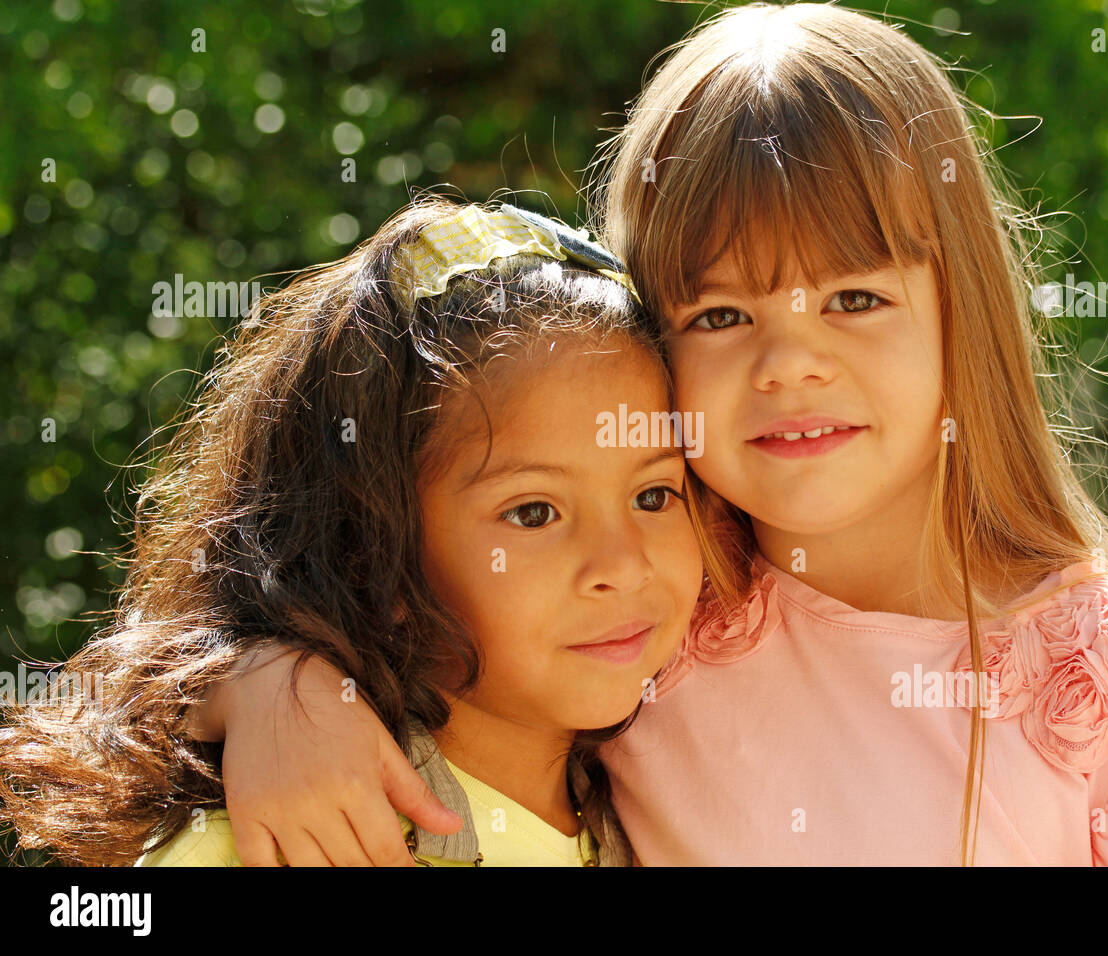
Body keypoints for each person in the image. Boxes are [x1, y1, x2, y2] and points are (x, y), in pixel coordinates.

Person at [176, 4, 1108, 864]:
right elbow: (348, 592)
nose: (789, 362)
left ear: (968, 311)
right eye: (720, 314)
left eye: (854, 298)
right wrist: (271, 682)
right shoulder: (658, 603)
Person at [0, 198, 714, 866]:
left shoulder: (660, 797)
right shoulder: (270, 838)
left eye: (655, 495)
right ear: (372, 547)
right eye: (533, 513)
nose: (623, 565)